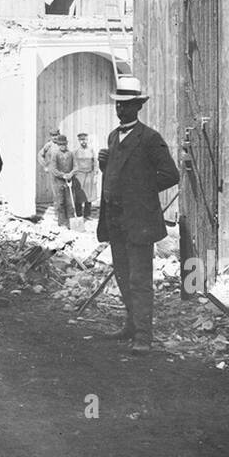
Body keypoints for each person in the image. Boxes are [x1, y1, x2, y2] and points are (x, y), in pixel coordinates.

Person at [95, 76, 180, 354]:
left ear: (138, 106)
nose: (121, 110)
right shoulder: (112, 136)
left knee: (139, 279)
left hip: (139, 220)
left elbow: (170, 174)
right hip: (115, 219)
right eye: (119, 105)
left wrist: (139, 190)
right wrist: (104, 167)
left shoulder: (150, 138)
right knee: (122, 273)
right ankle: (131, 325)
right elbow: (118, 172)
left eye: (127, 105)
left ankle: (144, 334)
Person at [48, 133, 77, 228]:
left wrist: (71, 174)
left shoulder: (71, 154)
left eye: (64, 144)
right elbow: (53, 169)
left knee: (70, 202)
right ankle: (62, 222)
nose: (62, 146)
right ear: (58, 145)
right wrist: (63, 175)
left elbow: (76, 167)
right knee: (60, 202)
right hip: (59, 182)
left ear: (66, 144)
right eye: (60, 144)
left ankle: (71, 223)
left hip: (70, 182)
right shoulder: (55, 155)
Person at [72, 131, 96, 220]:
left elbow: (95, 163)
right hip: (79, 175)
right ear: (78, 141)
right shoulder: (75, 152)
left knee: (89, 196)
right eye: (81, 140)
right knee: (79, 195)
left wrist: (96, 175)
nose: (83, 142)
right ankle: (79, 214)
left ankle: (87, 214)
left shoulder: (91, 150)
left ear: (87, 140)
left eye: (85, 139)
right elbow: (72, 164)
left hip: (89, 174)